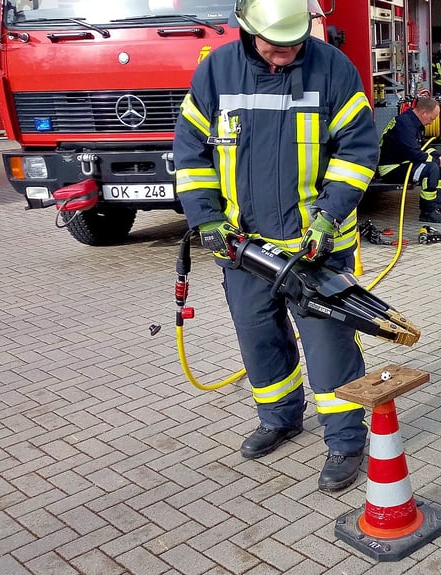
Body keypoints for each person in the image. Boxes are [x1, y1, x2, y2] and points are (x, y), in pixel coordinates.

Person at [173, 0, 378, 493]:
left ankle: (346, 441)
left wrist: (329, 216)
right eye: (275, 45)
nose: (286, 54)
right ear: (247, 30)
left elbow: (357, 149)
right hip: (244, 251)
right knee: (259, 339)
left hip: (316, 252)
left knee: (329, 349)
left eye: (294, 45)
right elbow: (191, 151)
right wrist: (206, 218)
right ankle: (280, 417)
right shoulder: (216, 71)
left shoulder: (332, 68)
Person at [377, 96, 441, 223]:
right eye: (431, 118)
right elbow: (413, 153)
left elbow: (422, 148)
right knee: (431, 168)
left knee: (438, 162)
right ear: (424, 113)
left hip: (404, 162)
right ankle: (427, 212)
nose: (431, 122)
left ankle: (437, 204)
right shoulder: (405, 124)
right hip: (391, 168)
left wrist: (440, 156)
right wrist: (436, 161)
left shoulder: (414, 123)